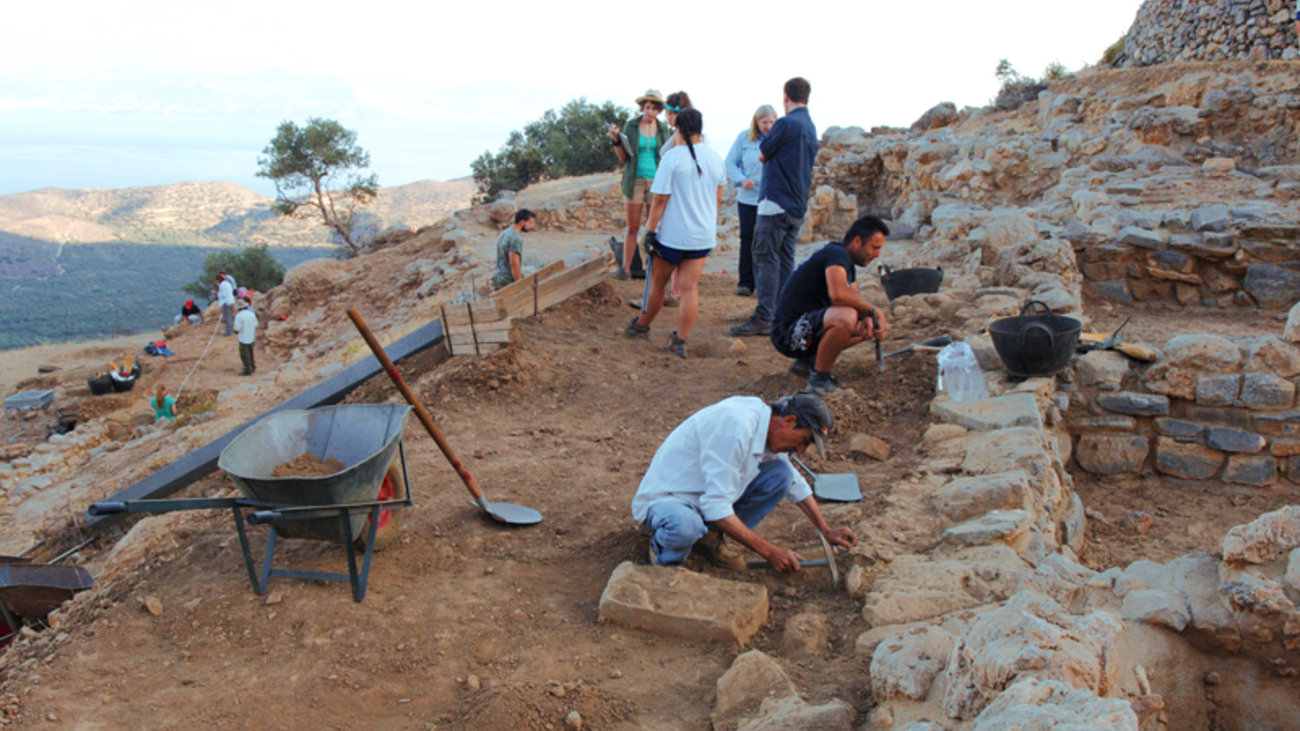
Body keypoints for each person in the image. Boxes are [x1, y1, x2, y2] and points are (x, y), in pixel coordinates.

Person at [632, 390, 857, 570]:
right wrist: (770, 552)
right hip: (670, 501)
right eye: (804, 440)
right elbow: (716, 507)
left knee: (781, 474)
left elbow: (794, 483)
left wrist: (826, 529)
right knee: (685, 526)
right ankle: (664, 557)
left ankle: (709, 538)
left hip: (705, 500)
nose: (800, 450)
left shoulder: (767, 426)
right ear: (789, 420)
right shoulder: (737, 427)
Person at [622, 108, 726, 359]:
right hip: (701, 235)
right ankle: (680, 340)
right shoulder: (715, 158)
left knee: (657, 284)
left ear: (677, 129)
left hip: (672, 235)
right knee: (689, 288)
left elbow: (660, 200)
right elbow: (717, 198)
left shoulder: (672, 158)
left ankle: (642, 325)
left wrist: (650, 232)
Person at [732, 77, 819, 336]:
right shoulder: (810, 126)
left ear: (786, 97)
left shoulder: (786, 123)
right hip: (797, 204)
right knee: (785, 259)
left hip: (776, 201)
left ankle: (763, 316)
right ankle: (782, 312)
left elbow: (762, 154)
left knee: (765, 257)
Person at [771, 215, 891, 395]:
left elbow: (854, 298)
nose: (877, 255)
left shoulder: (847, 264)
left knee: (866, 325)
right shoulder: (836, 253)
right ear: (857, 241)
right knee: (846, 317)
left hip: (804, 333)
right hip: (788, 335)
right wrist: (876, 311)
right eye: (875, 248)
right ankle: (819, 381)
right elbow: (839, 295)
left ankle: (808, 362)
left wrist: (869, 316)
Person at [610, 90, 671, 281]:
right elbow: (623, 157)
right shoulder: (632, 126)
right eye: (647, 107)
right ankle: (625, 268)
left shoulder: (663, 129)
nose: (650, 111)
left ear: (659, 110)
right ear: (642, 108)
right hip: (635, 178)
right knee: (633, 226)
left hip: (656, 180)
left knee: (655, 226)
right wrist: (615, 140)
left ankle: (653, 269)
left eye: (654, 108)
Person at [725, 105, 778, 298]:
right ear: (756, 122)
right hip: (748, 199)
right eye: (764, 122)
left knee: (767, 242)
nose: (768, 126)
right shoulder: (744, 138)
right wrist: (741, 179)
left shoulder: (778, 139)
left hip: (770, 199)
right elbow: (729, 163)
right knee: (748, 239)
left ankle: (766, 284)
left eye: (771, 122)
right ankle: (746, 283)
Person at [490, 209, 537, 290]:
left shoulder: (504, 233)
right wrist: (519, 283)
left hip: (497, 277)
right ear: (522, 222)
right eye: (530, 223)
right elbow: (514, 263)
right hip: (507, 280)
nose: (531, 226)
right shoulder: (516, 238)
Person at [233, 299, 258, 376]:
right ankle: (252, 366)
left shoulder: (239, 316)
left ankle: (247, 369)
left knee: (244, 355)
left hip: (243, 338)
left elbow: (237, 328)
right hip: (251, 336)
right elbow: (256, 324)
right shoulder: (251, 314)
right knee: (250, 353)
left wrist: (236, 331)